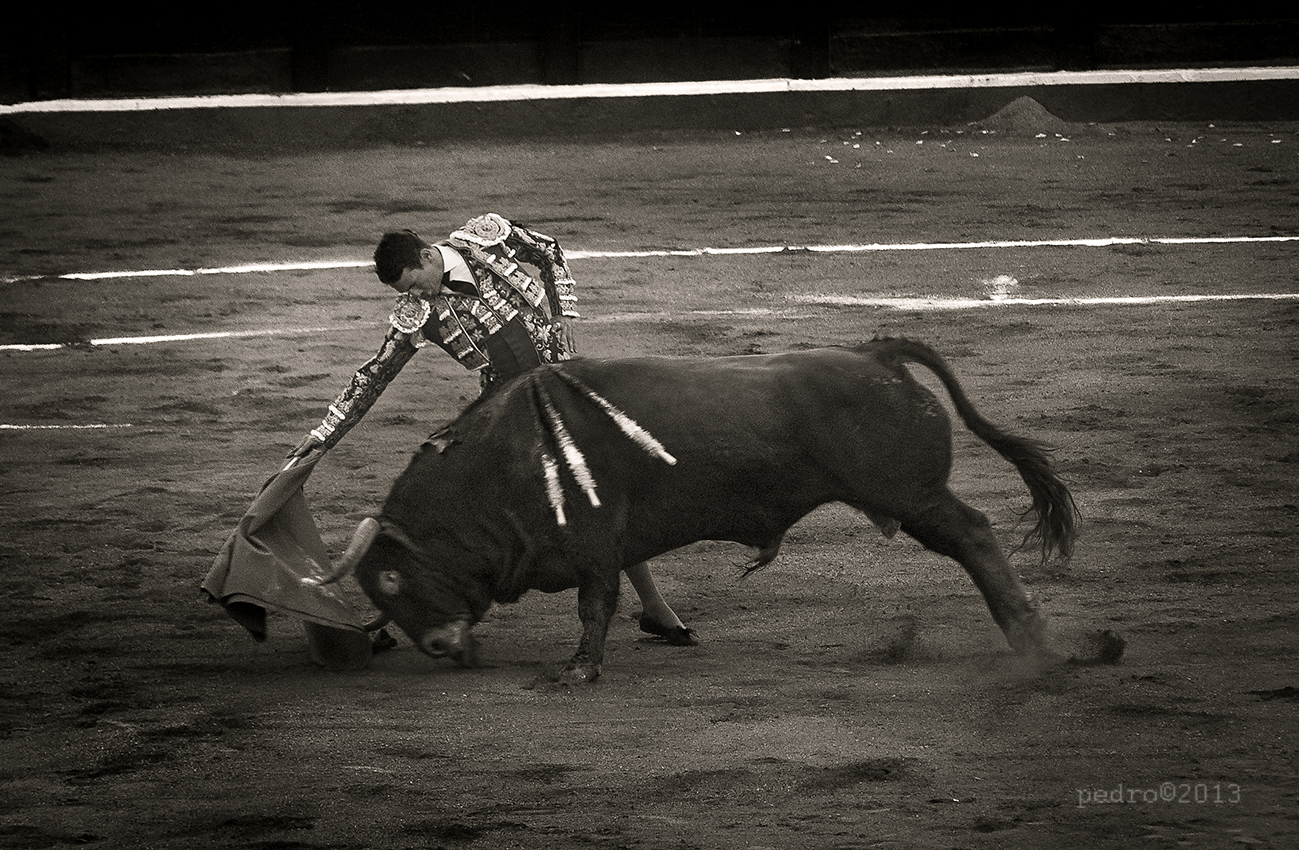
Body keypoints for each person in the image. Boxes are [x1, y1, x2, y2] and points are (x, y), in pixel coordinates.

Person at [289, 213, 697, 646]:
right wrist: (322, 435)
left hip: (565, 389)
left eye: (413, 283)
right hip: (506, 413)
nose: (415, 295)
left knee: (603, 492)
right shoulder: (416, 313)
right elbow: (373, 377)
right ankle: (393, 612)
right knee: (458, 506)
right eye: (405, 292)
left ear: (428, 256)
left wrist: (563, 313)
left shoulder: (484, 241)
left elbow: (549, 251)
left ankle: (654, 608)